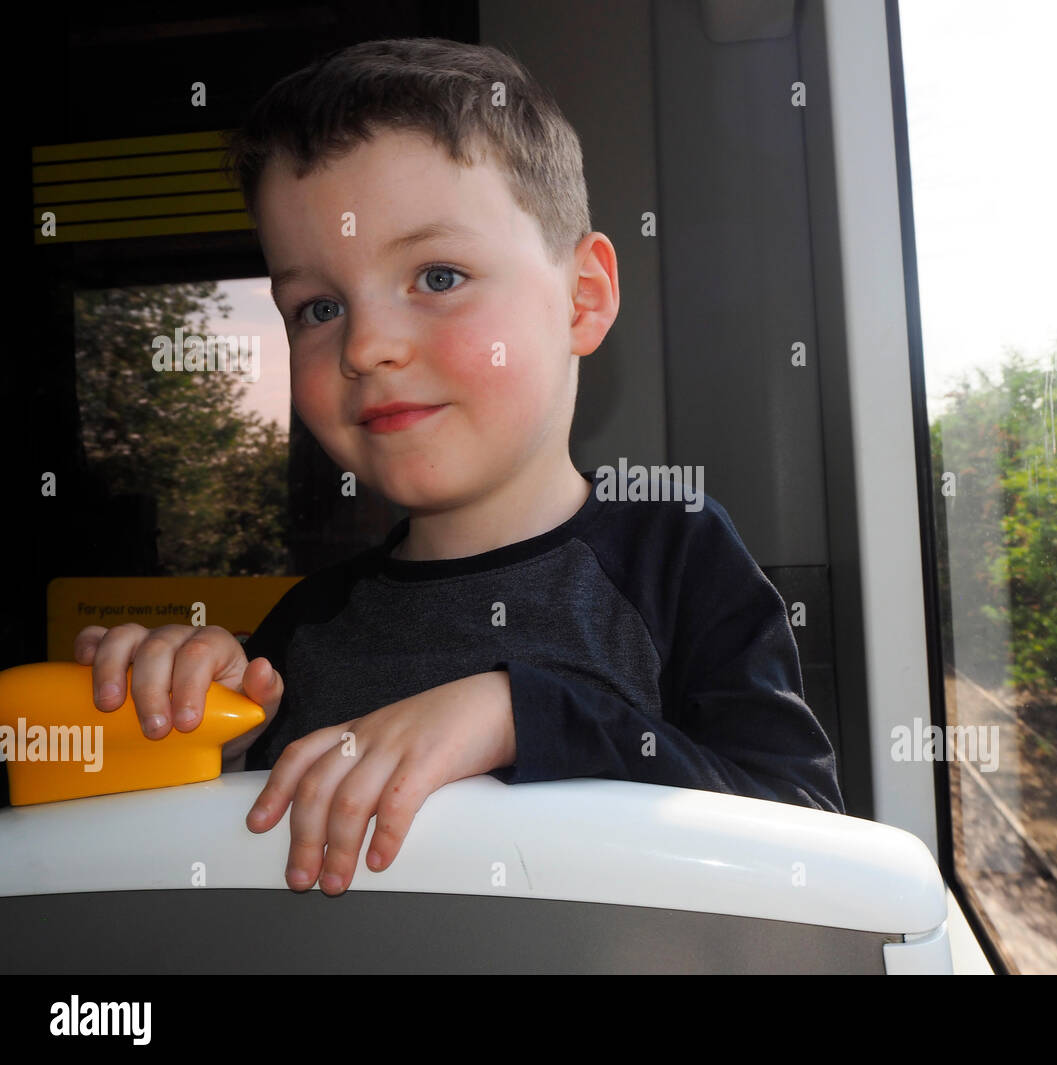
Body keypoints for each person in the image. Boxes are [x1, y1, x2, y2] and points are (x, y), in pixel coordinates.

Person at [74, 38, 844, 897]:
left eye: (438, 275)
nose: (366, 346)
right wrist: (176, 726)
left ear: (582, 299)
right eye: (318, 307)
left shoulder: (676, 556)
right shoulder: (301, 634)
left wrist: (524, 714)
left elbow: (806, 838)